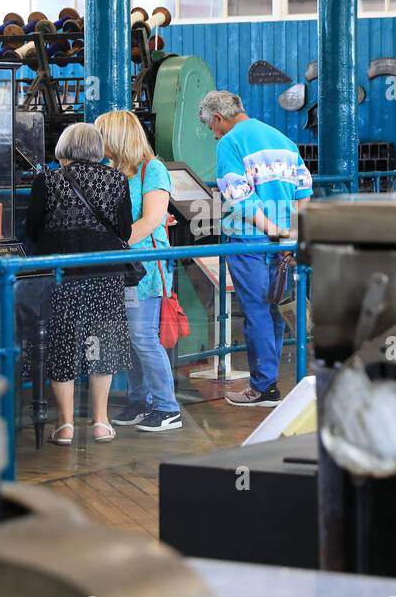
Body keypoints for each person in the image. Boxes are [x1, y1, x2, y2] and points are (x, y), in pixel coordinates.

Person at [198, 90, 312, 408]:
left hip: (249, 239)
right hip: (284, 241)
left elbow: (240, 197)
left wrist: (269, 229)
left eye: (211, 126)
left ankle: (263, 388)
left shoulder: (230, 143)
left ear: (219, 118)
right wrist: (292, 232)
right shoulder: (282, 140)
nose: (213, 133)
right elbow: (304, 187)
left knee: (257, 311)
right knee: (273, 308)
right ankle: (269, 381)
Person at [23, 122, 133, 446]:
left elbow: (31, 229)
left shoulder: (47, 180)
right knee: (102, 346)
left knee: (62, 345)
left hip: (61, 275)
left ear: (64, 148)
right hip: (104, 274)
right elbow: (124, 231)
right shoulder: (117, 180)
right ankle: (101, 422)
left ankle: (65, 425)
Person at [94, 110, 182, 433]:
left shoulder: (152, 170)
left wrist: (114, 242)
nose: (97, 141)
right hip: (119, 265)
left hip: (142, 268)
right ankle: (140, 399)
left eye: (101, 135)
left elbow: (151, 219)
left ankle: (167, 407)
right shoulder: (108, 170)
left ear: (117, 137)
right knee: (129, 337)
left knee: (143, 336)